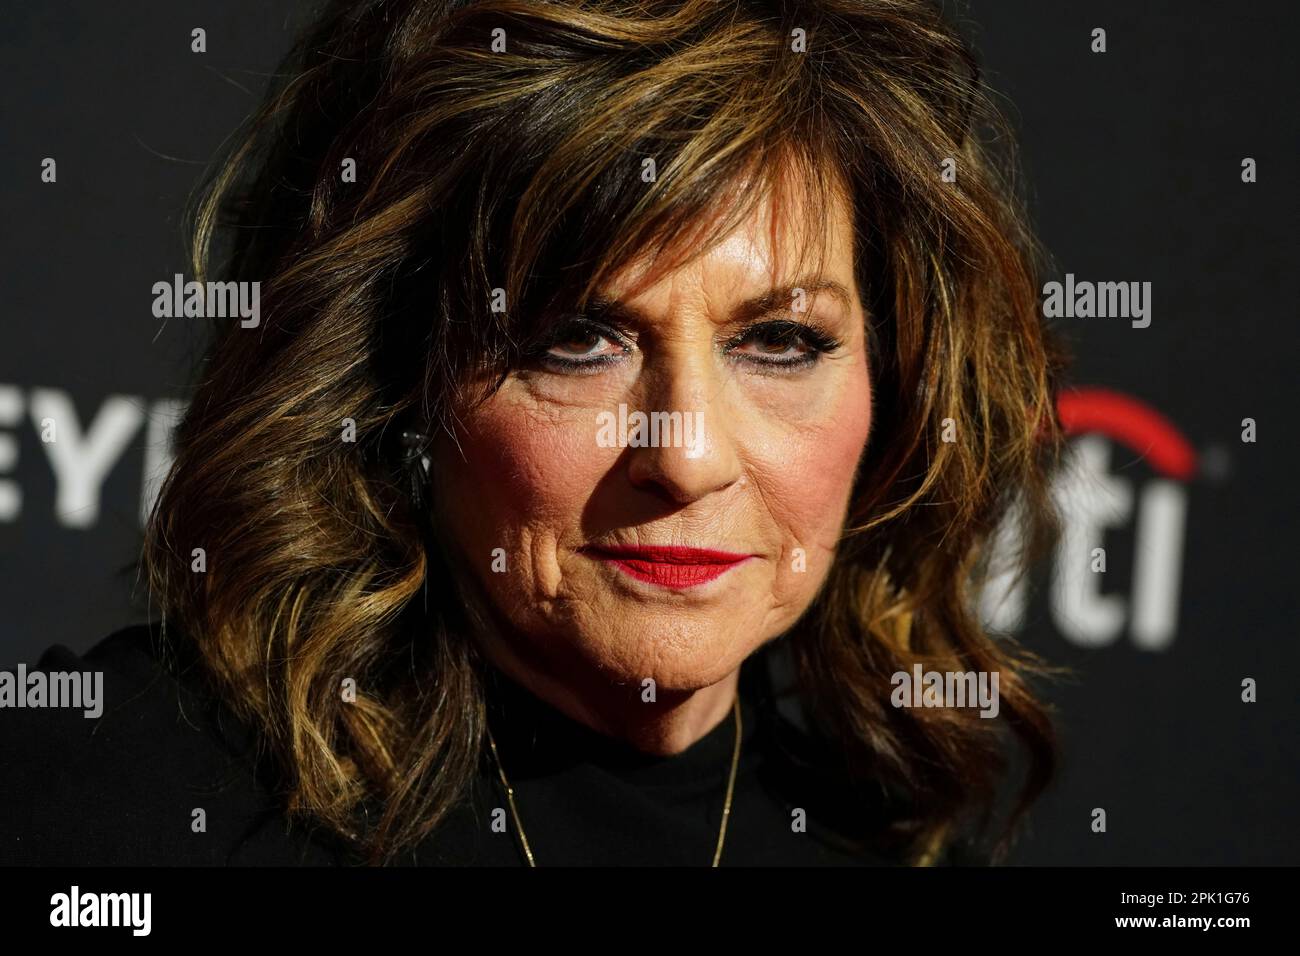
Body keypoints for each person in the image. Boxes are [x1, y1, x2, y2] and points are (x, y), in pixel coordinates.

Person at [0, 0, 1067, 867]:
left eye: (780, 341)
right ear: (399, 381)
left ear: (895, 386)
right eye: (577, 340)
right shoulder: (113, 803)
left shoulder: (893, 845)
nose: (686, 454)